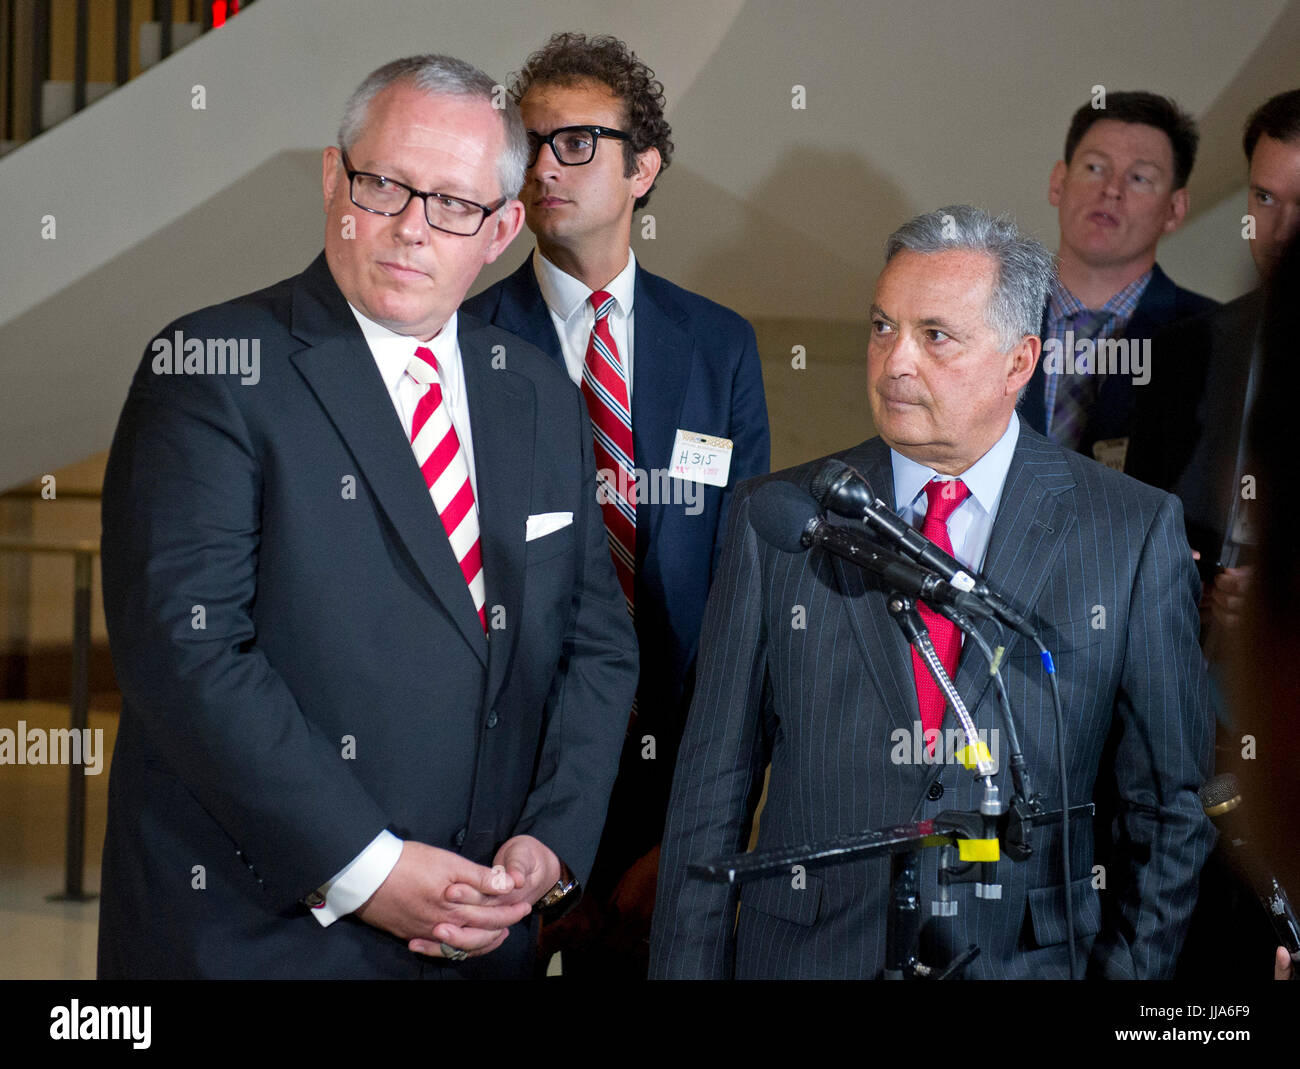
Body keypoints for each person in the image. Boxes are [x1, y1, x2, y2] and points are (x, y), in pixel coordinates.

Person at [97, 54, 638, 979]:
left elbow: (597, 640)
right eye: (383, 185)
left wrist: (550, 843)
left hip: (483, 931)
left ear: (503, 228)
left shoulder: (538, 390)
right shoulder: (213, 366)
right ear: (332, 178)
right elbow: (189, 655)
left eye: (453, 205)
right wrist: (369, 868)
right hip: (258, 936)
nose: (409, 229)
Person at [650, 206, 1214, 980]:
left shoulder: (1130, 531)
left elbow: (1168, 809)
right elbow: (710, 792)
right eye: (883, 327)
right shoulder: (778, 516)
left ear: (1020, 362)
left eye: (935, 335)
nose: (894, 363)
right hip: (809, 957)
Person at [462, 32, 769, 976]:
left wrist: (702, 822)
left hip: (671, 764)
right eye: (532, 143)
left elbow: (745, 590)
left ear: (644, 167)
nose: (547, 165)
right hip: (503, 766)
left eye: (579, 143)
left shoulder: (718, 344)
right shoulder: (463, 340)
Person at [1125, 91, 1300, 981]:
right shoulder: (1195, 344)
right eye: (1264, 199)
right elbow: (1141, 517)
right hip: (1186, 723)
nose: (1277, 228)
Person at [1020, 91, 1216, 468]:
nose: (1111, 189)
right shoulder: (989, 317)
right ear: (1058, 182)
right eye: (1095, 167)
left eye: (1139, 178)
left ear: (1175, 210)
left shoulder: (1213, 339)